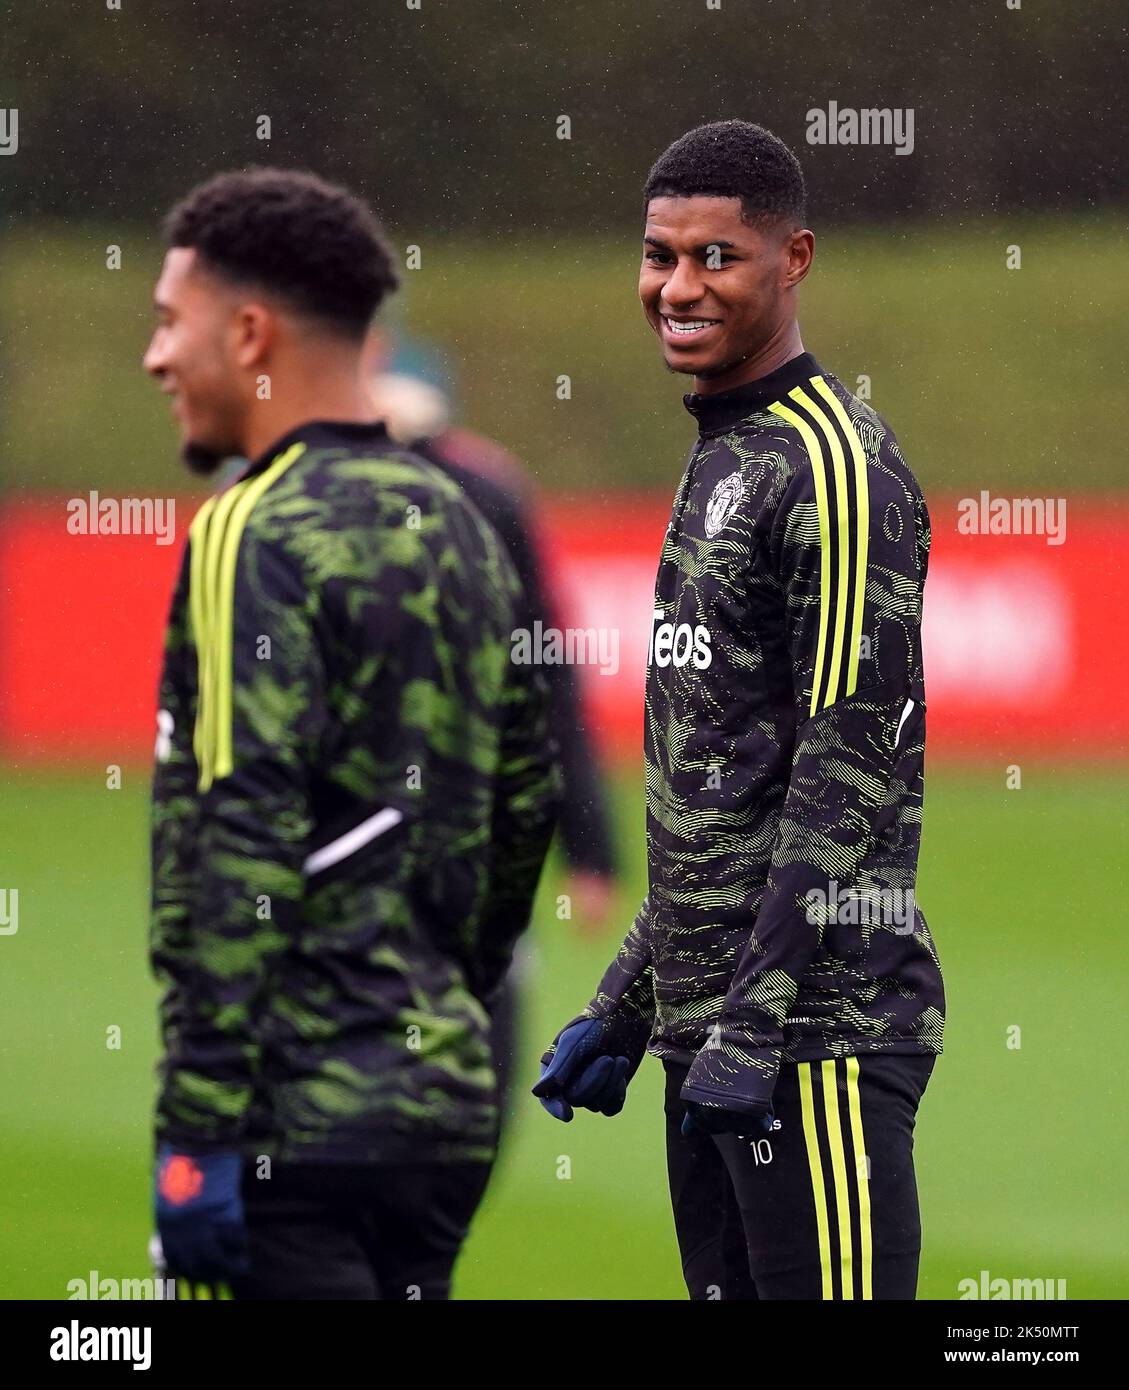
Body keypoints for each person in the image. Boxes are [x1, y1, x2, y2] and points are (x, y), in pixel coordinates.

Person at [534, 120, 945, 1301]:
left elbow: (844, 773)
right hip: (710, 1036)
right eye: (660, 254)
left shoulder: (836, 465)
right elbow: (718, 795)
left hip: (814, 1040)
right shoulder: (724, 453)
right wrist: (629, 1000)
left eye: (718, 257)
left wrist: (756, 1021)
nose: (678, 285)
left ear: (794, 258)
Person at [143, 168, 559, 1299]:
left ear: (248, 331)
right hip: (442, 1118)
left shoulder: (245, 527)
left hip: (294, 1120)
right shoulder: (466, 524)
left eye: (169, 323)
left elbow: (244, 826)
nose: (156, 357)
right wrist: (441, 1002)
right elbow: (528, 798)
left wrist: (196, 1129)